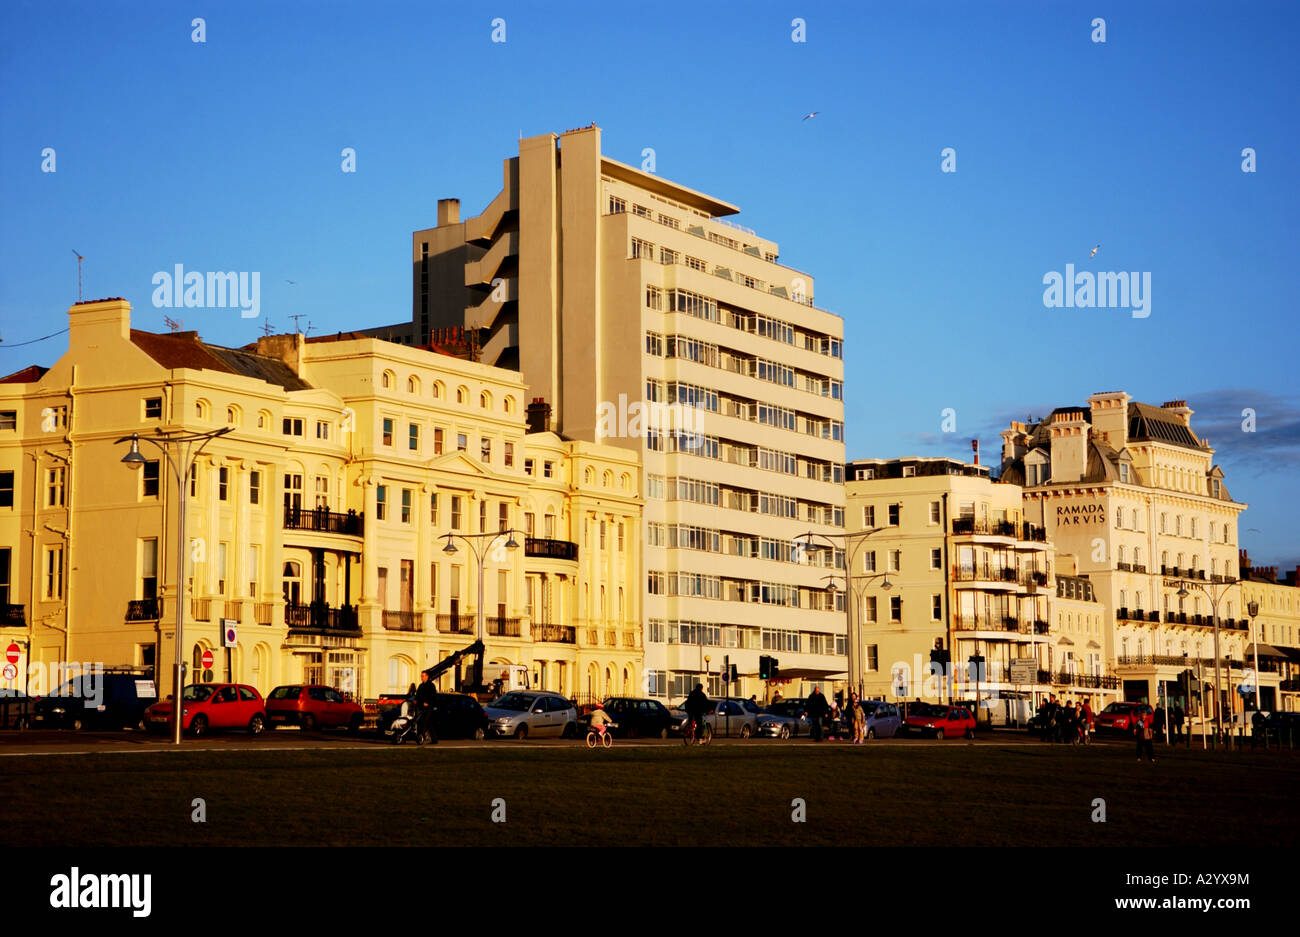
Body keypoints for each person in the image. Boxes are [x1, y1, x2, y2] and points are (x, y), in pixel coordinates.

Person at [415, 670, 438, 744]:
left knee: (424, 722)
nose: (422, 677)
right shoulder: (420, 686)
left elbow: (433, 696)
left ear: (427, 676)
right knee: (429, 723)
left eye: (423, 676)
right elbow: (418, 695)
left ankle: (421, 736)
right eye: (421, 676)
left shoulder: (431, 685)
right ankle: (434, 740)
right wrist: (415, 700)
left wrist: (428, 703)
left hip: (429, 707)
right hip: (420, 707)